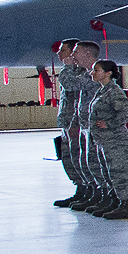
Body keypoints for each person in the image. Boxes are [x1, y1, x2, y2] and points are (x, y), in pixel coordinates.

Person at [83, 60, 128, 219]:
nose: (92, 73)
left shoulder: (114, 91)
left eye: (97, 70)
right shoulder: (102, 91)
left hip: (115, 140)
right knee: (108, 173)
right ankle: (114, 202)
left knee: (119, 173)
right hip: (104, 141)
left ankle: (126, 206)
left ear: (108, 74)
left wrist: (110, 124)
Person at [49, 40, 94, 206]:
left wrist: (75, 124)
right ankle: (81, 190)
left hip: (77, 123)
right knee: (70, 159)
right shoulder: (69, 70)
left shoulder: (81, 71)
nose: (58, 53)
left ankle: (90, 192)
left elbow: (77, 97)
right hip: (69, 123)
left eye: (63, 50)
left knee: (83, 158)